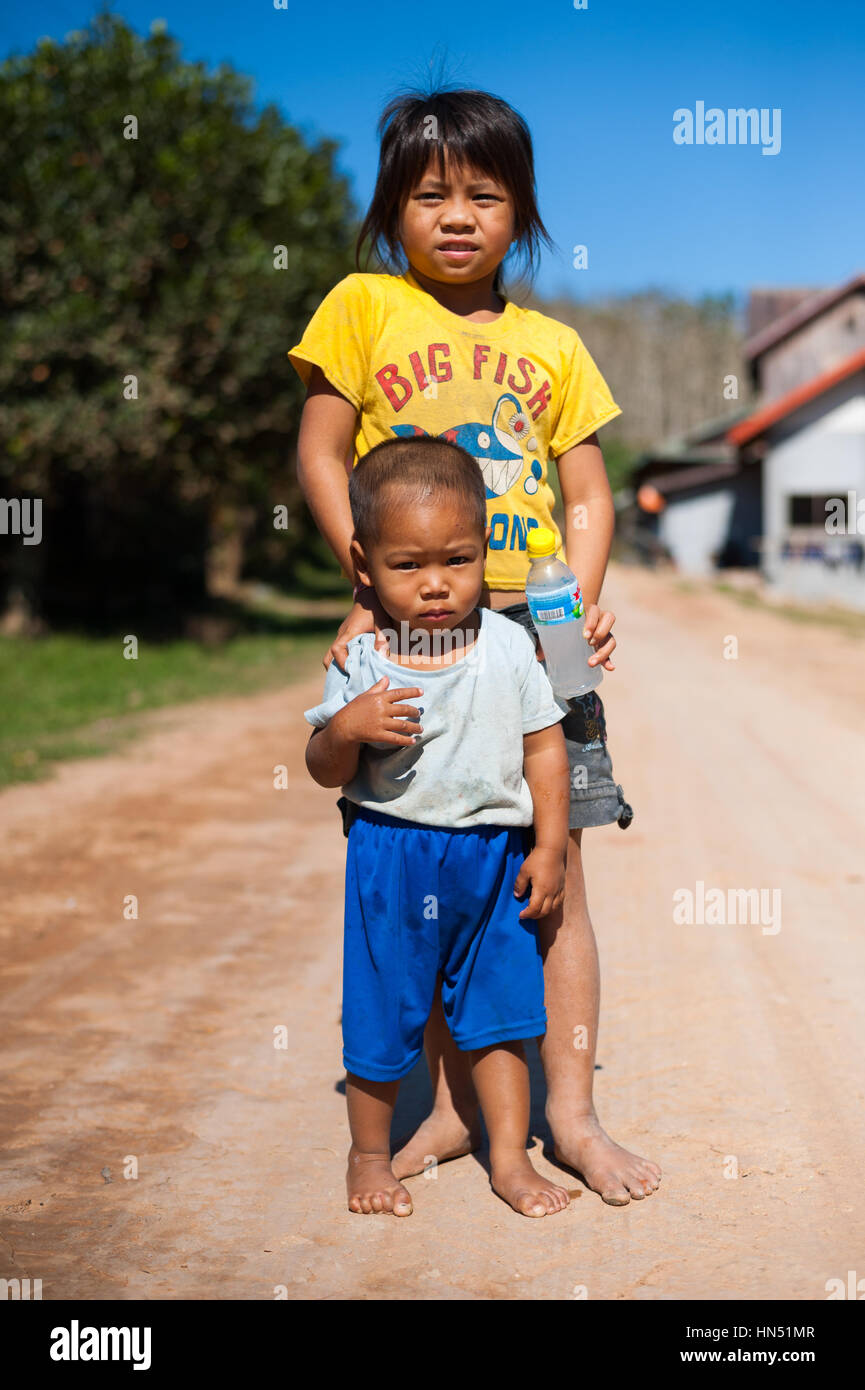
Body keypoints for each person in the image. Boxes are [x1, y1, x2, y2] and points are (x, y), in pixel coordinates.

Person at [289, 84, 661, 1205]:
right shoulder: (360, 307)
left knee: (558, 876)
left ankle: (573, 1116)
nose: (456, 216)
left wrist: (576, 607)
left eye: (485, 196)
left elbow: (585, 493)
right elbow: (321, 451)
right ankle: (453, 1109)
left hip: (534, 633)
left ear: (522, 213)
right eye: (429, 194)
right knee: (442, 871)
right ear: (392, 210)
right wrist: (363, 575)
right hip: (415, 629)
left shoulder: (554, 345)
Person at [304, 435, 572, 1217]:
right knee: (383, 1007)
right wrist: (347, 727)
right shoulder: (360, 659)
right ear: (363, 564)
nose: (434, 586)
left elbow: (544, 751)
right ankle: (368, 1158)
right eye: (406, 565)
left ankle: (509, 1160)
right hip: (392, 858)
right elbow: (322, 765)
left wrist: (549, 846)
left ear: (486, 551)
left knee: (498, 1015)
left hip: (492, 857)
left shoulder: (509, 645)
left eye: (456, 560)